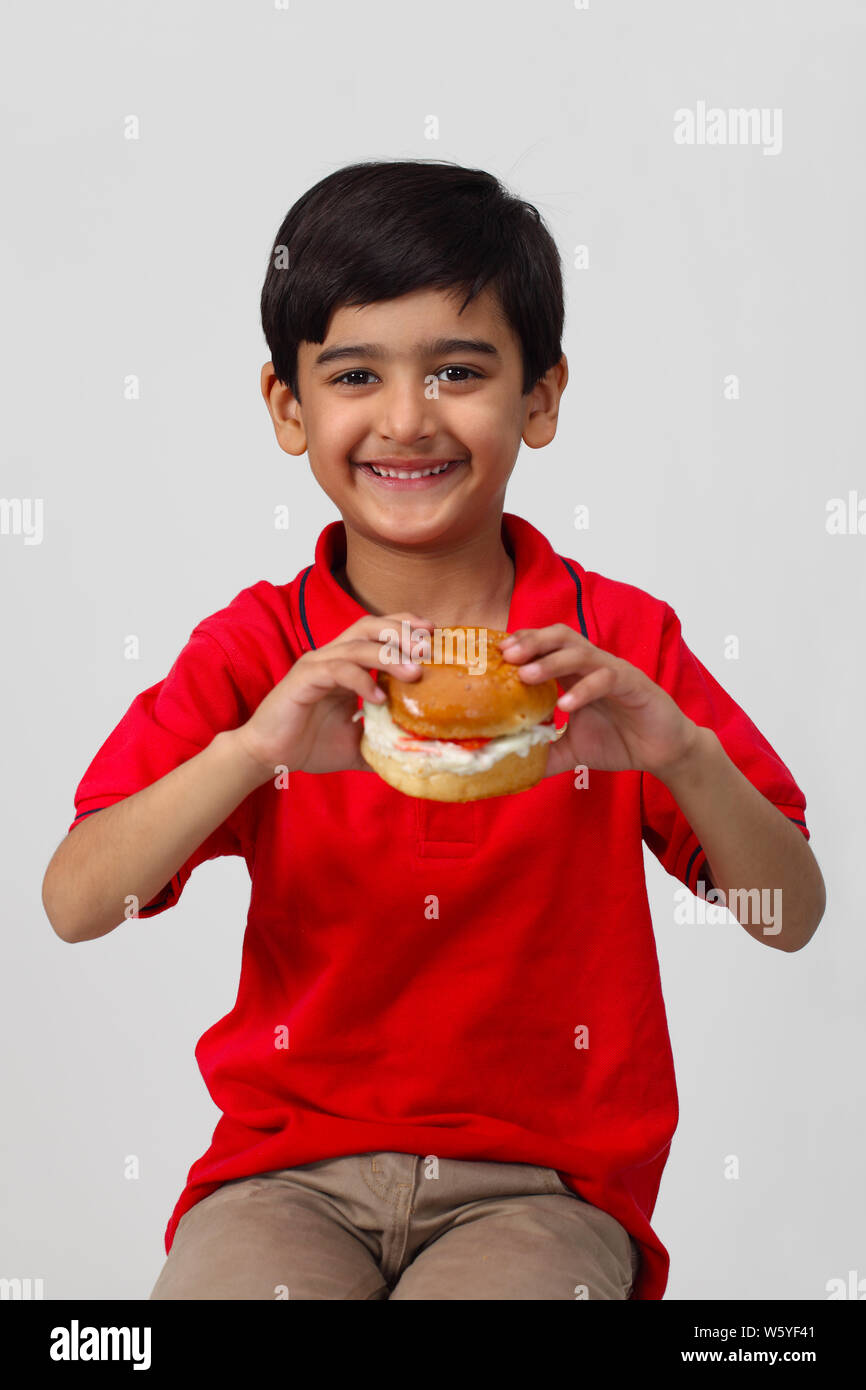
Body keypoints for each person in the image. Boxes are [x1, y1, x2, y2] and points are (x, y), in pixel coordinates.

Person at [42, 159, 826, 1300]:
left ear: (540, 398)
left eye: (459, 371)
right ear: (287, 406)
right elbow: (75, 903)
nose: (407, 418)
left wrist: (681, 755)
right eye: (355, 373)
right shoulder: (260, 652)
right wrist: (253, 751)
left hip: (542, 1191)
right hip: (283, 1178)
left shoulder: (615, 647)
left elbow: (788, 915)